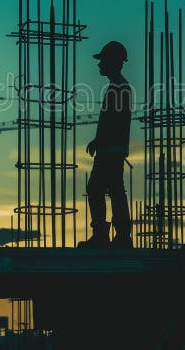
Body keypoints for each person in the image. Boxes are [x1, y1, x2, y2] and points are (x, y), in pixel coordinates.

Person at [78, 41, 132, 248]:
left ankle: (104, 234)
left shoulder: (118, 87)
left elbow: (113, 120)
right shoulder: (118, 86)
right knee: (115, 190)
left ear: (113, 62)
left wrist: (99, 140)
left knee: (96, 188)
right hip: (112, 148)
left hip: (110, 149)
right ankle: (121, 235)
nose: (99, 66)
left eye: (103, 61)